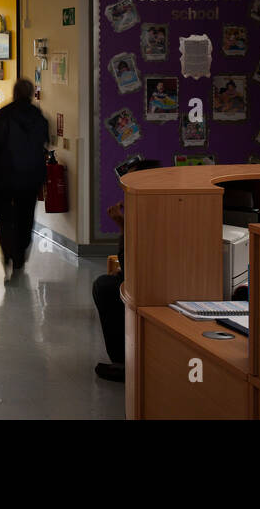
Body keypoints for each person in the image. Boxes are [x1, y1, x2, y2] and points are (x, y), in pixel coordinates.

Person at [92, 159, 160, 383]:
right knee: (111, 282)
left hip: (155, 280)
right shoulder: (148, 206)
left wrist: (124, 227)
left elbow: (131, 262)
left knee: (105, 287)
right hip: (145, 274)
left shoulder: (153, 212)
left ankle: (123, 361)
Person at [0, 77, 51, 279]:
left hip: (3, 176)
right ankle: (20, 253)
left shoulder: (2, 116)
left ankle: (9, 252)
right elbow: (45, 142)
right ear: (29, 94)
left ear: (14, 93)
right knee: (25, 216)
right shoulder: (39, 117)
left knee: (5, 217)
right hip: (31, 177)